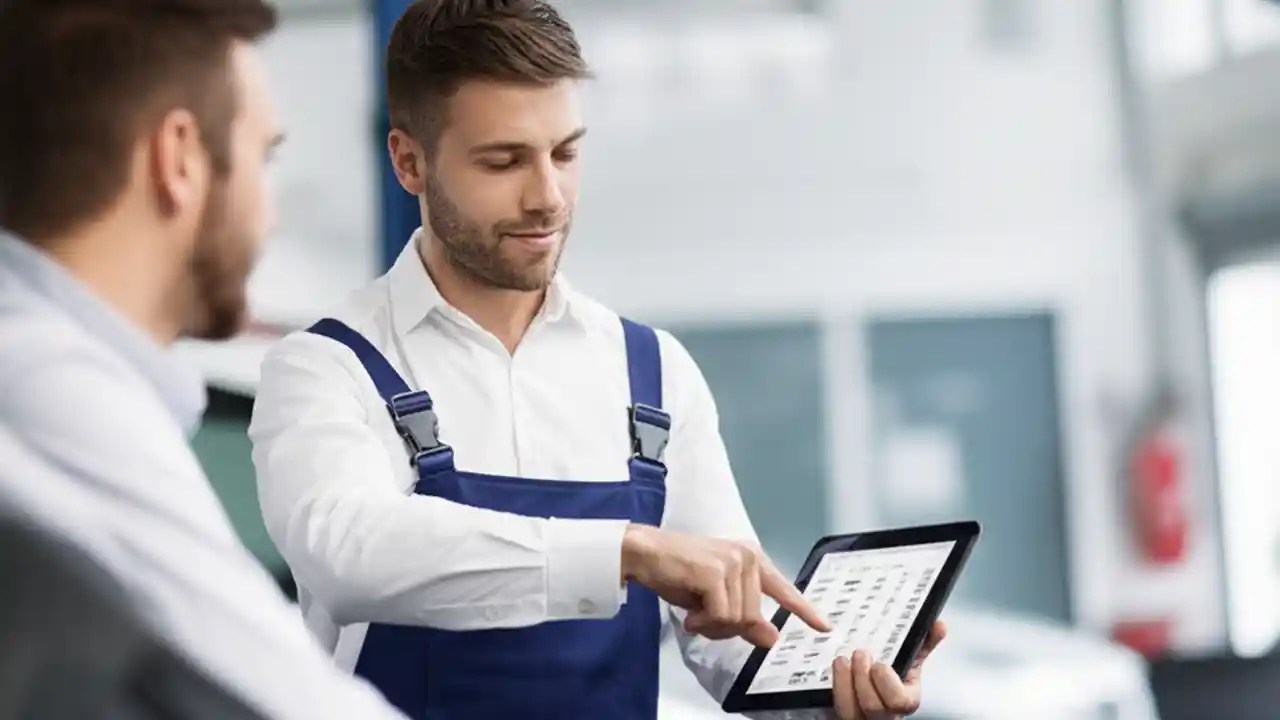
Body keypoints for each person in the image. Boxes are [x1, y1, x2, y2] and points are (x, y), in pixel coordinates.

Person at [248, 1, 946, 719]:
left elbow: (732, 642)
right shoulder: (326, 369)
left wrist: (832, 692)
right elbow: (350, 554)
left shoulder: (654, 374)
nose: (546, 197)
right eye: (504, 160)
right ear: (408, 162)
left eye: (566, 152)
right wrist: (626, 552)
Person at [0, 1, 409, 718]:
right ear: (180, 158)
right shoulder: (50, 386)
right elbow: (290, 703)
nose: (271, 213)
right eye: (265, 157)